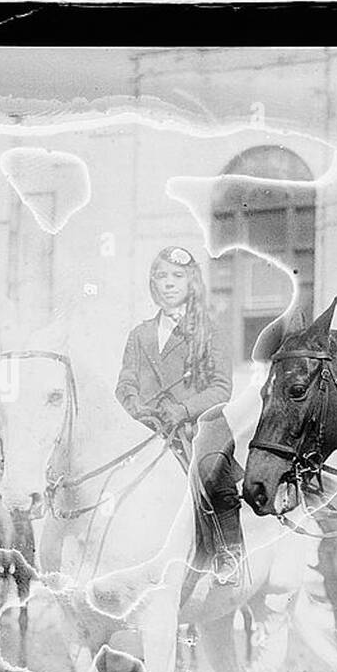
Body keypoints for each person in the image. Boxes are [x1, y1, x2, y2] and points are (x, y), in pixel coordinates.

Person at [115, 246, 244, 585]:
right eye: (161, 276)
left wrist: (184, 410)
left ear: (192, 282)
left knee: (213, 474)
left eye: (177, 276)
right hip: (151, 427)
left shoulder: (208, 329)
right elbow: (125, 382)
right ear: (152, 283)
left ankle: (227, 552)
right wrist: (136, 407)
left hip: (199, 427)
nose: (168, 284)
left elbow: (221, 388)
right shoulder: (140, 334)